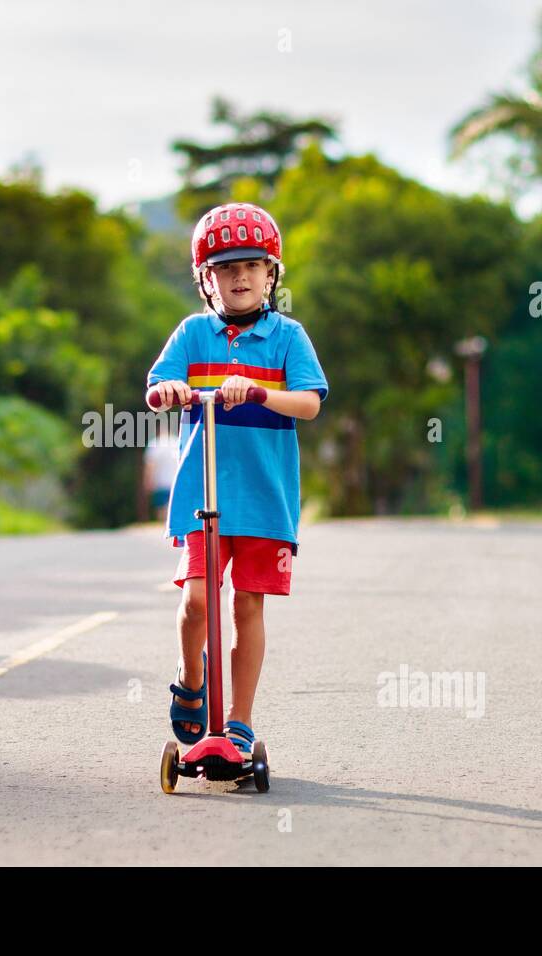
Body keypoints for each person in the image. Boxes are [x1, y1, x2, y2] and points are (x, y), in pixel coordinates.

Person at [145, 202, 328, 757]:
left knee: (248, 605)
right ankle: (193, 681)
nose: (241, 276)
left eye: (252, 265)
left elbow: (310, 403)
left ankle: (241, 719)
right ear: (207, 278)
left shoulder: (288, 337)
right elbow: (157, 385)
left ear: (272, 273)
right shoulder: (193, 334)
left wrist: (258, 392)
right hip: (205, 496)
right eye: (226, 267)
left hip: (265, 499)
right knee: (198, 601)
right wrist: (169, 392)